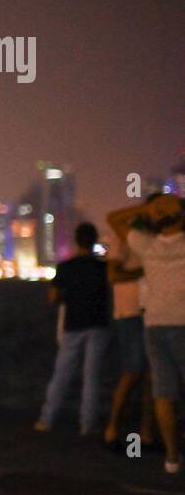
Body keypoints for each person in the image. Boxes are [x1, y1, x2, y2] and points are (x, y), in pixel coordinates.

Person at [108, 193, 185, 473]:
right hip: (182, 323)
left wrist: (148, 208)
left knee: (163, 392)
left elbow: (112, 218)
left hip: (154, 324)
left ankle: (172, 458)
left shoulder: (148, 245)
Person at [35, 222, 111, 435]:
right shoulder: (103, 267)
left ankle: (46, 419)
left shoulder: (66, 267)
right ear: (95, 240)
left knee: (62, 373)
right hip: (98, 324)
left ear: (76, 240)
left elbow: (53, 298)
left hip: (73, 324)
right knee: (92, 375)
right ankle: (87, 424)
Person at [102, 229, 154, 451]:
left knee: (152, 376)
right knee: (133, 371)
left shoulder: (157, 240)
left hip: (152, 311)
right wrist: (149, 270)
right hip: (129, 312)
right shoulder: (123, 237)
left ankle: (147, 433)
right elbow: (113, 275)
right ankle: (112, 429)